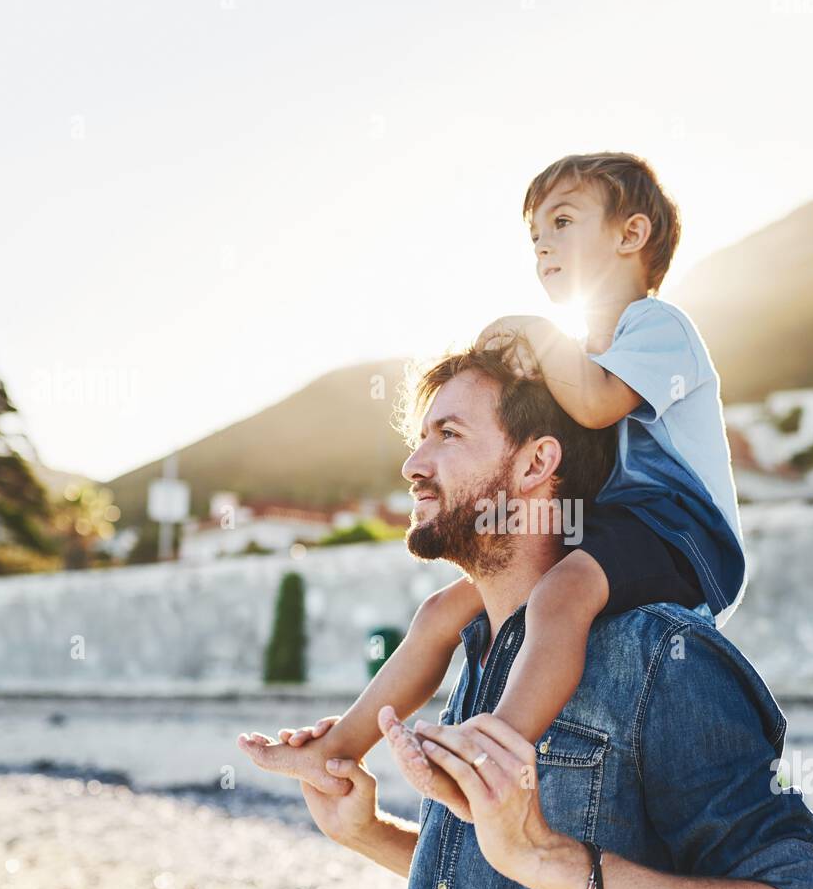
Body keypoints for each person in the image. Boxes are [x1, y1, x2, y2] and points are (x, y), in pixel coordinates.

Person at [238, 340, 813, 889]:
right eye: (419, 435)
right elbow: (505, 883)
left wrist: (558, 861)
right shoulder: (481, 654)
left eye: (448, 434)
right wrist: (366, 833)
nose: (413, 464)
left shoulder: (660, 658)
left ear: (534, 464)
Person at [247, 151, 747, 790]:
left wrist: (535, 332)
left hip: (682, 532)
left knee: (562, 596)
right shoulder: (587, 349)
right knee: (440, 611)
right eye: (535, 239)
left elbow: (595, 408)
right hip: (607, 520)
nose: (543, 250)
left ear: (631, 234)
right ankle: (338, 746)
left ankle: (494, 750)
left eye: (562, 223)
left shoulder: (658, 325)